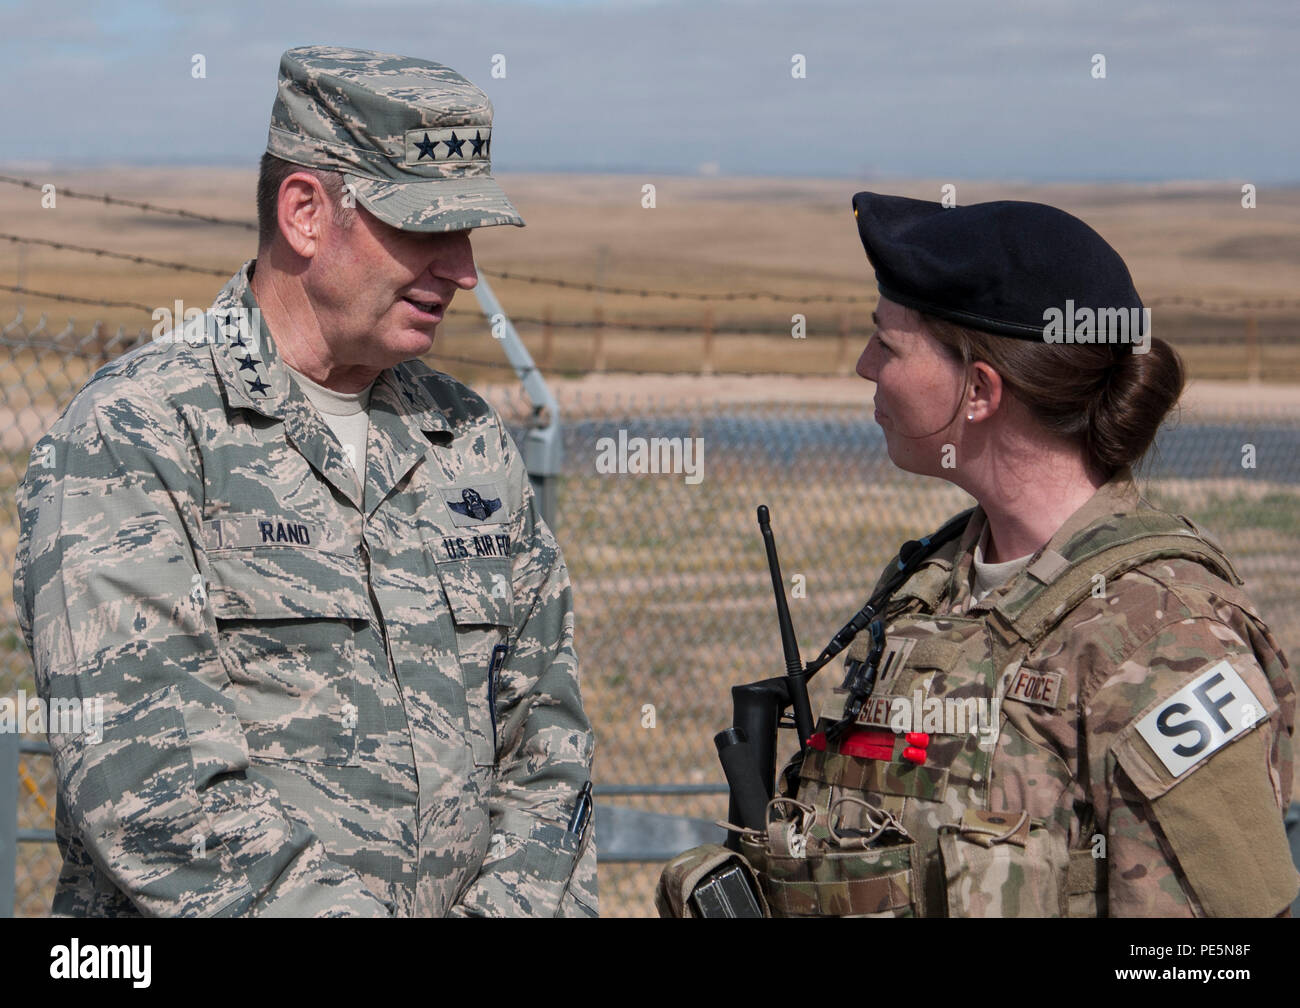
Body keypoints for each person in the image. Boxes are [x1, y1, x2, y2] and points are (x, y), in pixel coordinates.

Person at [13, 46, 595, 917]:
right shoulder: (140, 433)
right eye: (426, 228)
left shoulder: (467, 440)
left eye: (468, 233)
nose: (463, 269)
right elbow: (150, 783)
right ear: (306, 214)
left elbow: (549, 742)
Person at [660, 192, 1297, 917]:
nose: (865, 366)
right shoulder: (932, 587)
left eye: (888, 345)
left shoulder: (1164, 644)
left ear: (980, 391)